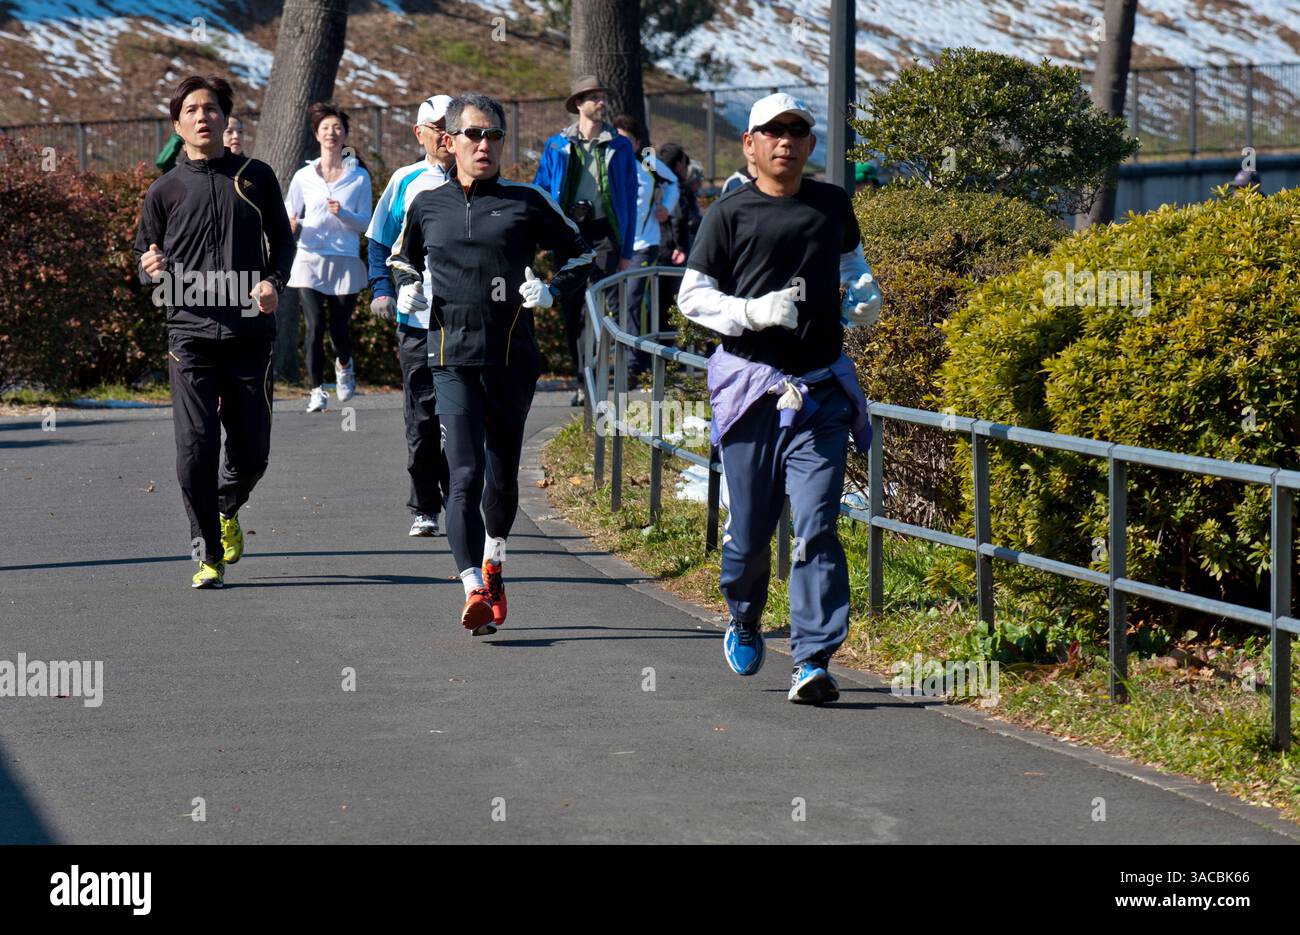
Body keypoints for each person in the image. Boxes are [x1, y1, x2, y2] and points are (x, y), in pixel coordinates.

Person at [677, 93, 882, 704]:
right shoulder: (728, 213)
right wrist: (750, 313)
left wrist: (862, 296)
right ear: (751, 144)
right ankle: (743, 614)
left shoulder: (831, 204)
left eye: (797, 131)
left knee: (818, 522)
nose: (785, 141)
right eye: (772, 131)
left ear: (810, 144)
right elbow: (692, 298)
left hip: (820, 391)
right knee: (747, 537)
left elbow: (852, 268)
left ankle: (812, 658)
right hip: (750, 392)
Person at [389, 93, 595, 635]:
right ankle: (471, 588)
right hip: (449, 357)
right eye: (474, 135)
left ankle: (494, 562)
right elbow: (399, 258)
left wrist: (551, 291)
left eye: (495, 135)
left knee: (499, 475)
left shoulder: (527, 201)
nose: (485, 145)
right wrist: (408, 289)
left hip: (510, 360)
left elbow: (583, 253)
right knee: (462, 474)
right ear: (448, 141)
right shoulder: (425, 203)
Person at [133, 75, 295, 589]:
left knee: (251, 454)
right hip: (189, 334)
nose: (203, 116)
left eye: (212, 108)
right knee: (194, 450)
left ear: (226, 119)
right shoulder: (165, 189)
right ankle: (207, 551)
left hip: (250, 334)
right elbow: (144, 257)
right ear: (177, 124)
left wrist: (273, 282)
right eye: (192, 110)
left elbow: (283, 245)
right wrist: (150, 268)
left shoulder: (256, 176)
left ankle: (227, 506)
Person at [365, 94, 455, 538]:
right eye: (436, 126)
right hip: (417, 321)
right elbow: (379, 241)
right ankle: (424, 506)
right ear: (418, 133)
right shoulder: (405, 180)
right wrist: (385, 290)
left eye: (451, 124)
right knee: (422, 418)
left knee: (459, 419)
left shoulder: (478, 177)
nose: (445, 133)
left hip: (466, 323)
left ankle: (459, 498)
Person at [534, 75, 638, 404]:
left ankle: (594, 382)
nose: (602, 102)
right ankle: (582, 378)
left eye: (603, 96)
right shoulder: (556, 145)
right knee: (572, 309)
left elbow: (630, 197)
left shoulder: (620, 145)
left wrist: (627, 248)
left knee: (594, 303)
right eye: (593, 97)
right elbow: (541, 191)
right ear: (579, 104)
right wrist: (541, 237)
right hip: (569, 235)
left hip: (605, 233)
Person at [284, 102, 373, 413]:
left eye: (337, 128)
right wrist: (291, 225)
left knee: (339, 328)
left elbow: (366, 224)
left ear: (345, 134)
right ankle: (316, 390)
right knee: (315, 324)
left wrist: (344, 213)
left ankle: (344, 364)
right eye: (325, 129)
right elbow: (288, 214)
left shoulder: (359, 177)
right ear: (316, 135)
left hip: (344, 259)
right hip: (308, 257)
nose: (331, 133)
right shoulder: (303, 176)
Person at [612, 114, 679, 364]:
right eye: (618, 139)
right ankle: (616, 355)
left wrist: (666, 208)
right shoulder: (607, 162)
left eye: (627, 141)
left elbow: (673, 183)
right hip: (614, 245)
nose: (622, 145)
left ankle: (633, 362)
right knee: (613, 300)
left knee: (632, 298)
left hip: (644, 244)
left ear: (637, 144)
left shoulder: (648, 162)